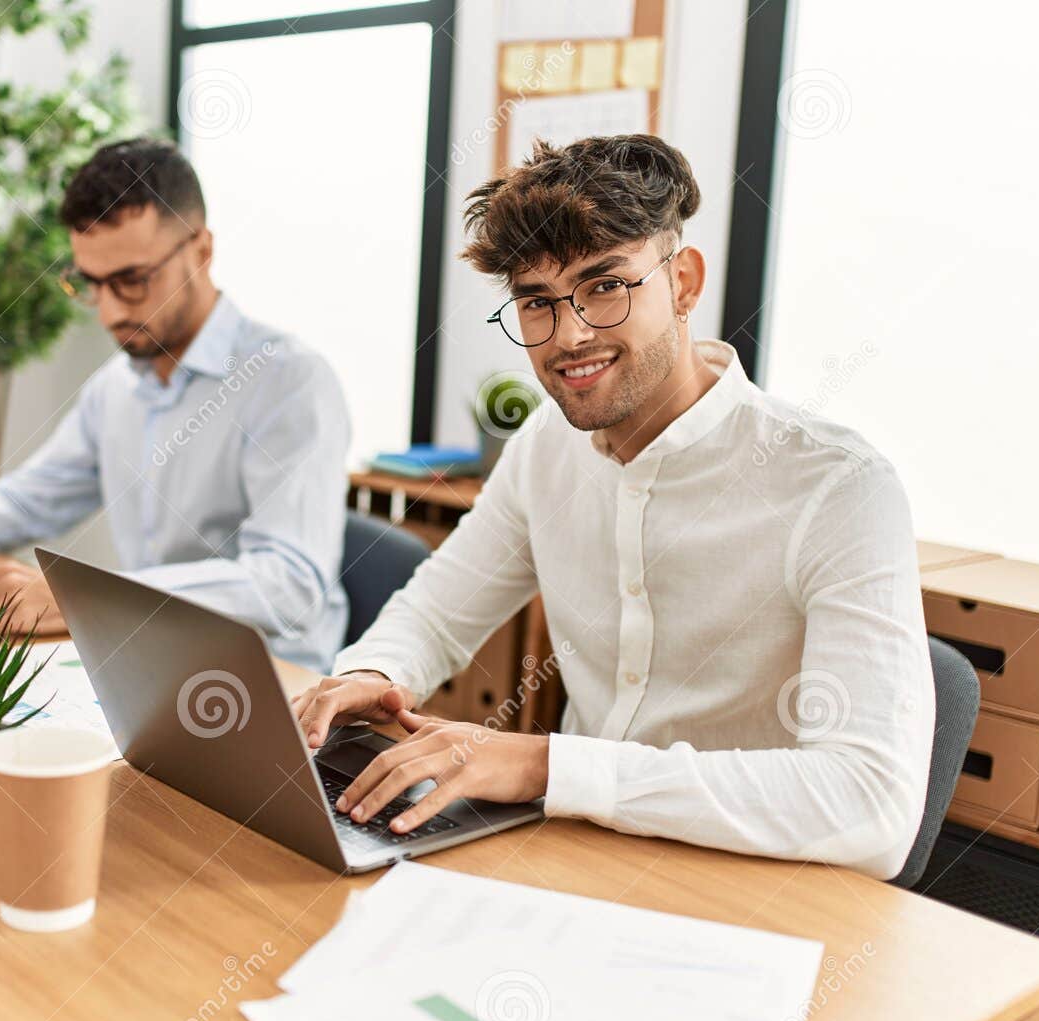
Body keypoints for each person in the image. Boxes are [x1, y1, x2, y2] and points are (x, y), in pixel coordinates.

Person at [292, 134, 934, 880]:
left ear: (684, 282)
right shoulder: (546, 447)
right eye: (538, 302)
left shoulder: (838, 486)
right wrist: (376, 669)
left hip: (759, 896)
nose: (570, 335)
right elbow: (439, 611)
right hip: (579, 866)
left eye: (605, 286)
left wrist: (547, 766)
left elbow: (872, 804)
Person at [0, 138, 350, 670]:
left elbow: (290, 585)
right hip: (149, 658)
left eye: (131, 281)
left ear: (201, 250)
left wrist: (80, 599)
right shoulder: (117, 388)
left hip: (278, 685)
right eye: (91, 283)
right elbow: (23, 502)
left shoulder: (288, 382)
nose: (108, 313)